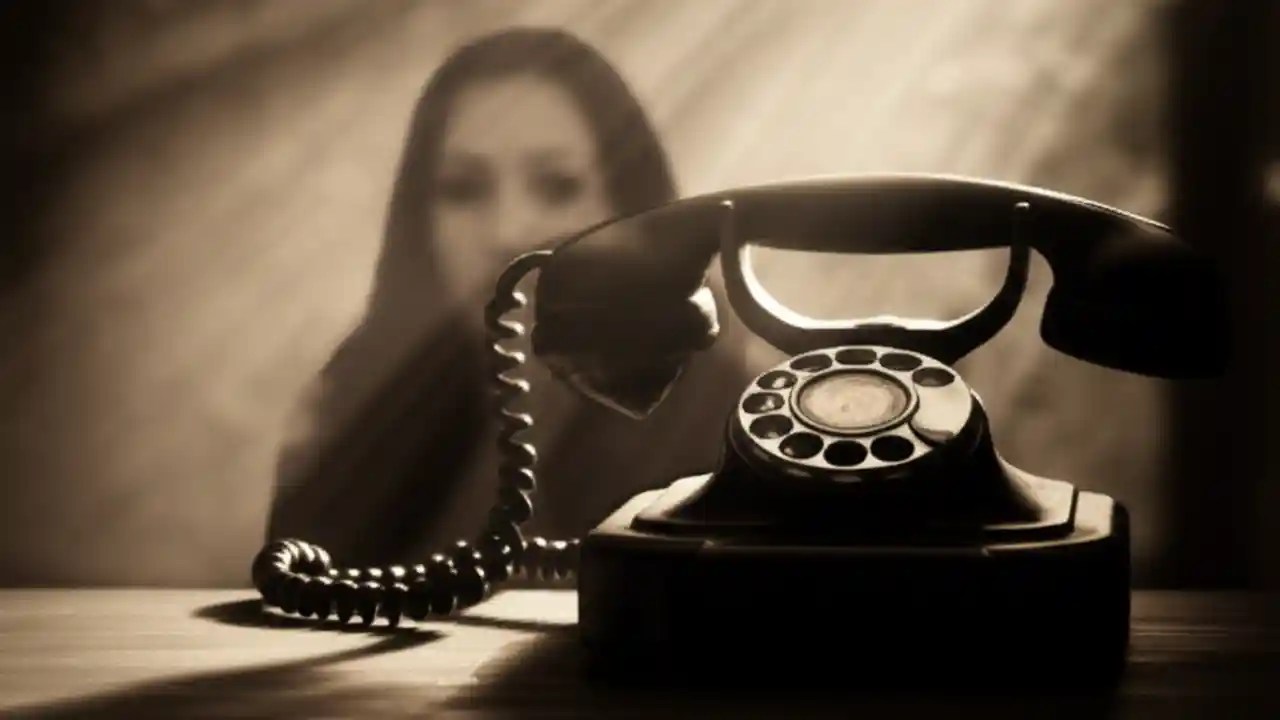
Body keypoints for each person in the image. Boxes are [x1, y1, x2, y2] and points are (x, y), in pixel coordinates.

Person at [265, 28, 753, 569]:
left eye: (559, 186)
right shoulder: (348, 409)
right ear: (417, 223)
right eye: (462, 189)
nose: (509, 231)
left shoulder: (736, 421)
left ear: (636, 214)